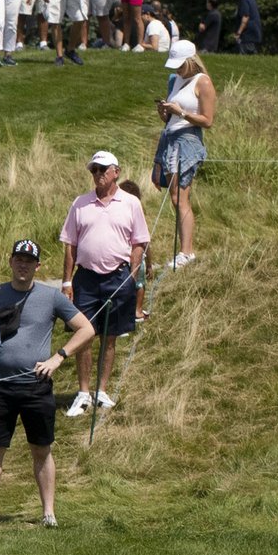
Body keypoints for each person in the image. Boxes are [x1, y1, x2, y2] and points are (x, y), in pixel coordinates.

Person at [0, 240, 94, 529]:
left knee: (41, 449)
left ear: (38, 266)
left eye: (29, 261)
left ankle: (48, 513)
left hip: (36, 385)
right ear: (10, 262)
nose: (23, 265)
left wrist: (59, 357)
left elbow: (87, 329)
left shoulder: (51, 297)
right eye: (18, 259)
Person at [59, 152, 150, 417]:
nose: (97, 174)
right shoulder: (80, 203)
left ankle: (102, 390)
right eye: (93, 170)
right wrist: (67, 281)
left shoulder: (131, 203)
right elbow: (70, 246)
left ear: (116, 172)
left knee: (110, 337)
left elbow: (139, 243)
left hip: (118, 277)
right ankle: (83, 392)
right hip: (86, 278)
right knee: (83, 336)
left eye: (102, 169)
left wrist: (132, 277)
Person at [152, 40, 214, 268]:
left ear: (191, 61)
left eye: (180, 65)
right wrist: (165, 112)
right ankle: (184, 250)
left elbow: (208, 120)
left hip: (187, 140)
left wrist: (182, 112)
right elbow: (170, 120)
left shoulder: (203, 82)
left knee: (180, 197)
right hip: (171, 137)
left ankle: (187, 252)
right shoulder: (174, 80)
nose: (176, 70)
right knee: (175, 197)